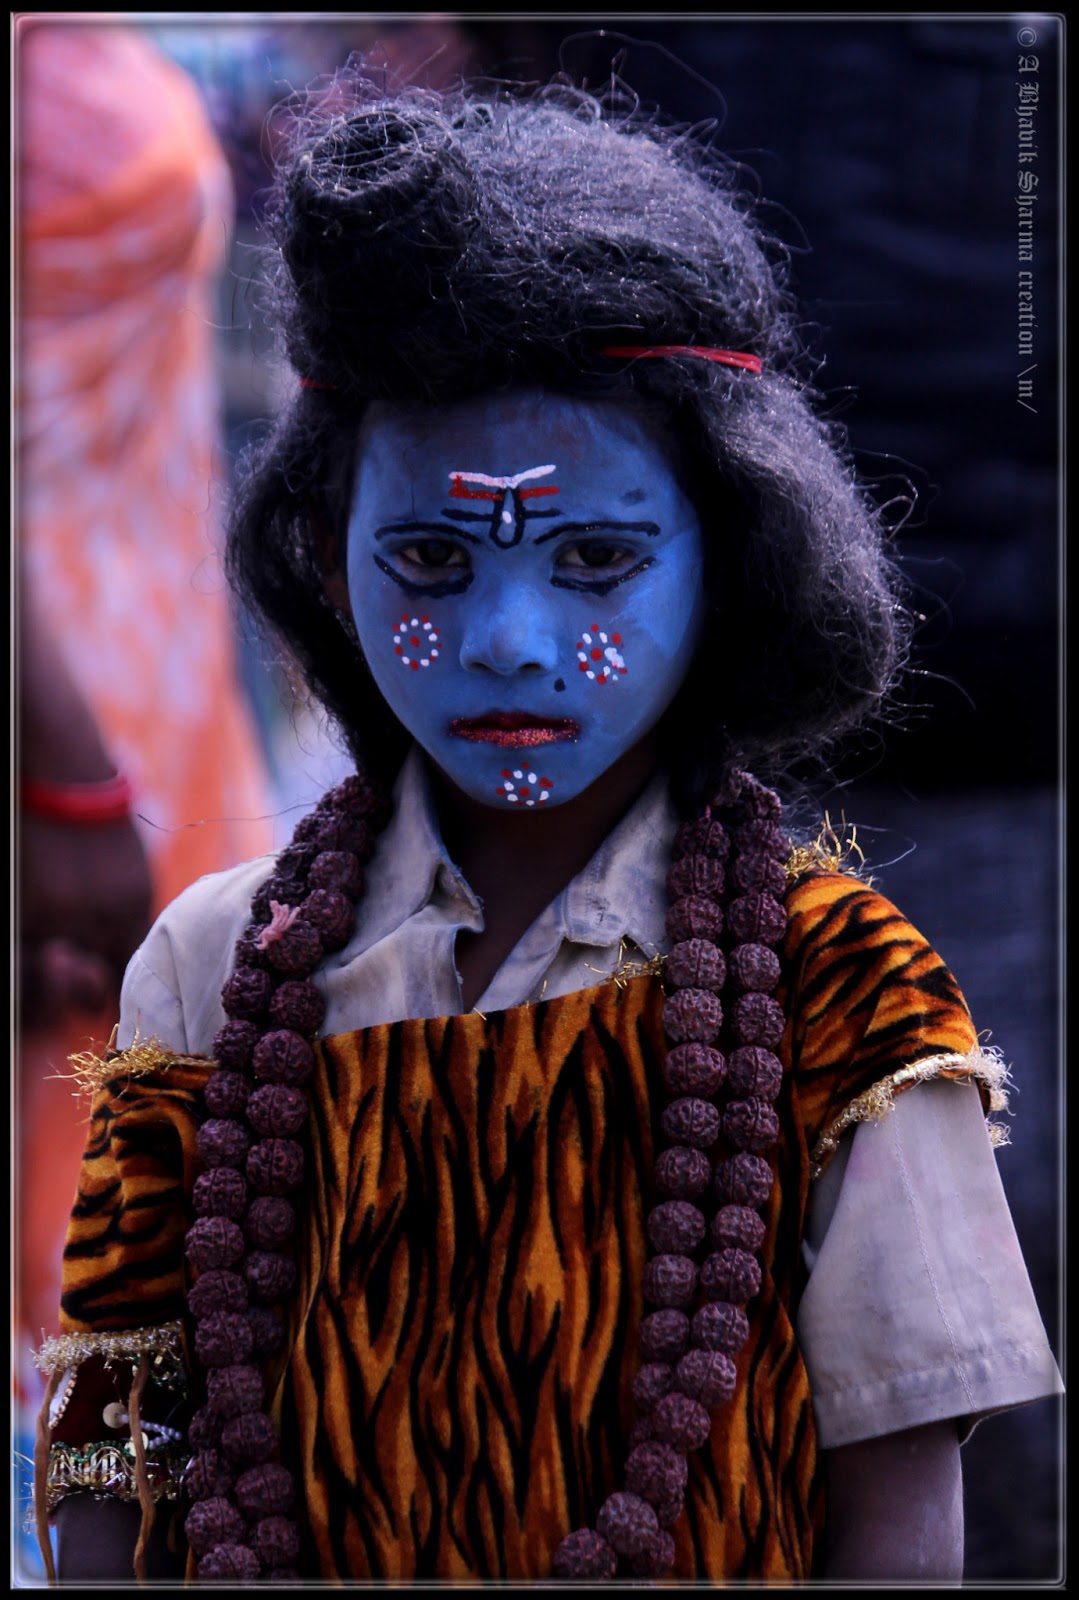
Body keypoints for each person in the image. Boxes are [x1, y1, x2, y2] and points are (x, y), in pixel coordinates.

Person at [33, 74, 1061, 1584]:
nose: (510, 637)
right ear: (326, 558)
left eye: (594, 559)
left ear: (736, 557)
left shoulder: (848, 1000)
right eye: (433, 559)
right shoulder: (212, 969)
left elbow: (903, 1512)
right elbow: (107, 1443)